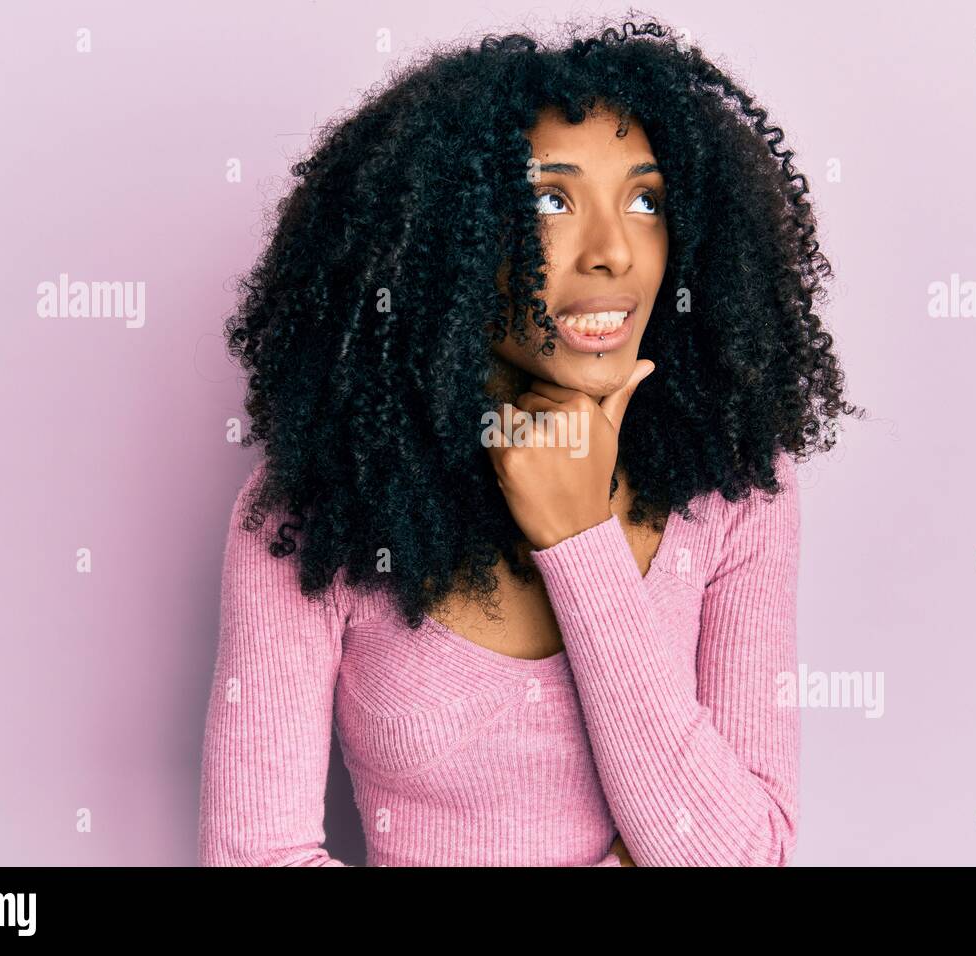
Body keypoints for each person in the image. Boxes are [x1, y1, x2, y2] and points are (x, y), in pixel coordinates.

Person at [198, 17, 861, 867]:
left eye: (646, 200)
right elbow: (258, 859)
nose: (614, 252)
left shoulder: (735, 487)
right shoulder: (315, 510)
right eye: (552, 199)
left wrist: (579, 539)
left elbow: (748, 856)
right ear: (451, 237)